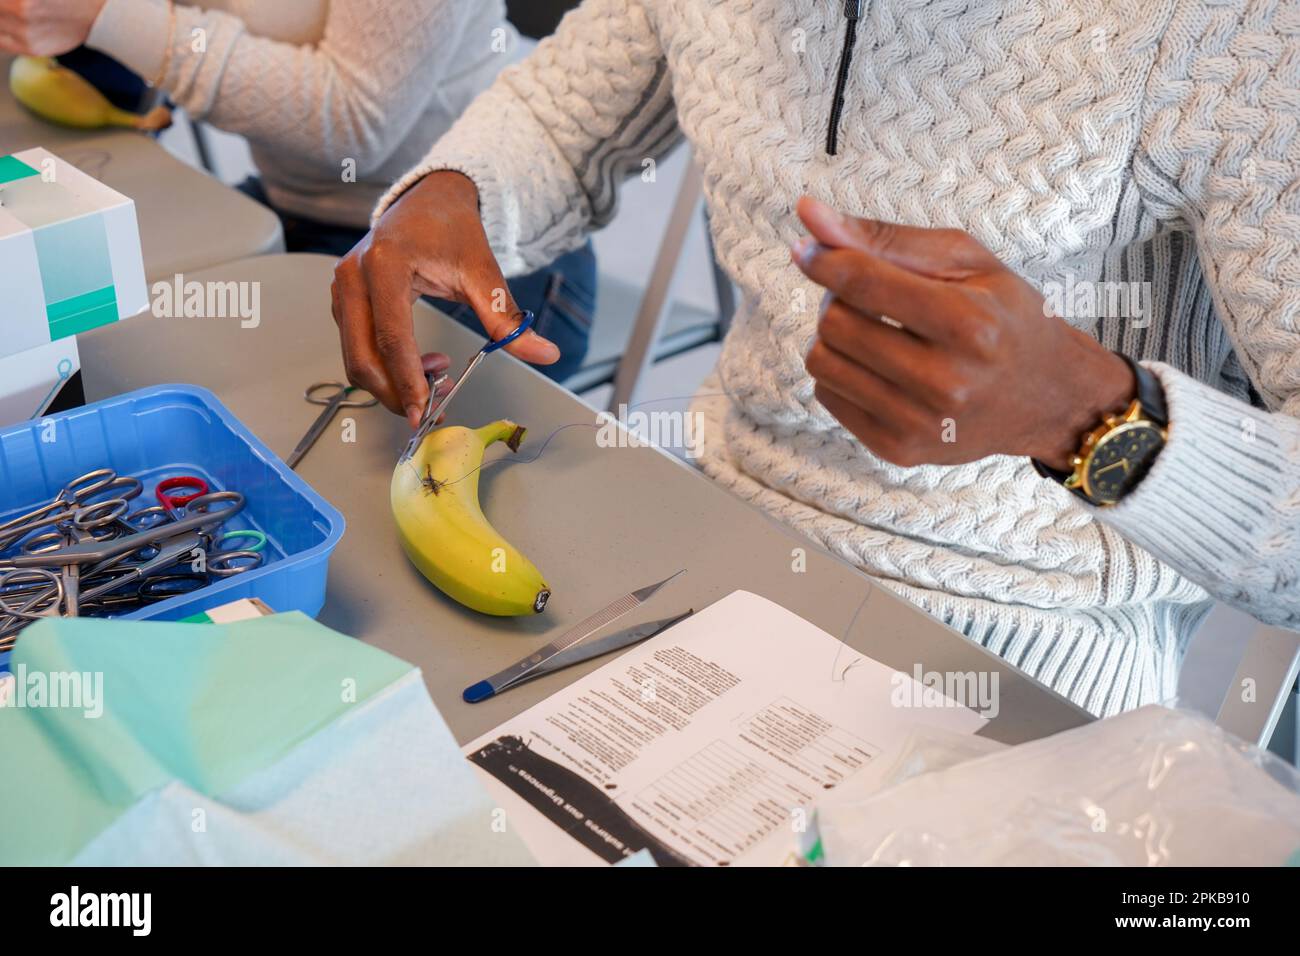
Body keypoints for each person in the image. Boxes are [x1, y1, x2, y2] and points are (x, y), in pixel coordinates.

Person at [329, 0, 1300, 719]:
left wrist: (1092, 416)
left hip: (1030, 651)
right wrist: (451, 189)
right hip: (706, 544)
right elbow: (556, 115)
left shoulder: (1226, 27)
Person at [0, 0, 596, 382]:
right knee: (115, 360)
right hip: (294, 213)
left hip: (487, 263)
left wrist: (110, 18)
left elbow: (353, 125)